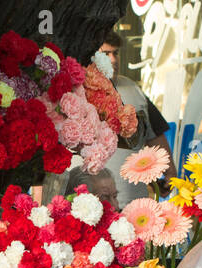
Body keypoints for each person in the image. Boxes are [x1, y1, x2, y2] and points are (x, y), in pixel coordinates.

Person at [71, 28, 175, 207]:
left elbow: (155, 135)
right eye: (105, 53)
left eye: (116, 53)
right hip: (85, 205)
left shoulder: (132, 89)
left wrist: (169, 171)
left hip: (132, 202)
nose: (113, 59)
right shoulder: (73, 91)